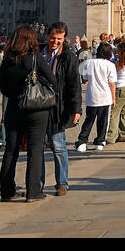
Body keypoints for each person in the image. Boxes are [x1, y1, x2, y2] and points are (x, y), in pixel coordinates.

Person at [0, 26, 57, 203]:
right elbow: (52, 80)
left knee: (10, 151)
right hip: (36, 110)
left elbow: (3, 89)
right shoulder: (35, 57)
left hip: (14, 109)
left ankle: (7, 191)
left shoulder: (7, 60)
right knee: (35, 150)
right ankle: (33, 192)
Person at [40, 22, 83, 196]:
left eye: (59, 38)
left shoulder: (68, 56)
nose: (55, 41)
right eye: (52, 38)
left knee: (58, 147)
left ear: (64, 38)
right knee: (38, 149)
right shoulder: (38, 54)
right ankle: (37, 184)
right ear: (47, 36)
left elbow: (74, 84)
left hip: (58, 108)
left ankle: (62, 183)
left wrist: (76, 109)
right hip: (39, 107)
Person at [76, 43, 117, 152]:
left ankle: (82, 141)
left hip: (92, 96)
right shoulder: (110, 65)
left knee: (89, 120)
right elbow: (112, 83)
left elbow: (84, 79)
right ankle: (100, 141)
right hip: (105, 96)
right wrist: (114, 98)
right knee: (103, 121)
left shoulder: (88, 63)